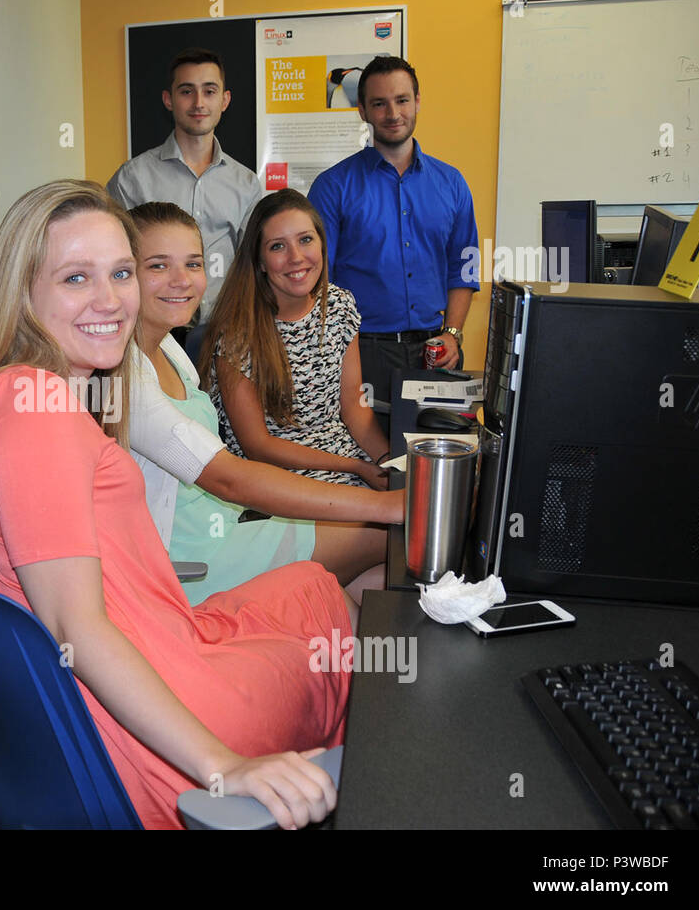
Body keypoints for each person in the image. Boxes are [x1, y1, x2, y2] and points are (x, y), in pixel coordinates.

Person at [0, 179, 349, 830]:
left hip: (150, 653)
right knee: (328, 613)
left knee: (310, 584)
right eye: (76, 278)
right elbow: (75, 625)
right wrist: (224, 767)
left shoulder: (46, 390)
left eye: (121, 273)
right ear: (22, 292)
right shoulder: (35, 408)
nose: (111, 301)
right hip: (147, 728)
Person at [127, 201, 391, 603]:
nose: (181, 280)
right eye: (159, 266)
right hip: (196, 563)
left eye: (193, 264)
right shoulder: (126, 379)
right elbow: (230, 475)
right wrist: (386, 506)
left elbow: (354, 407)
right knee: (389, 539)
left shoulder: (167, 347)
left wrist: (391, 469)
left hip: (226, 526)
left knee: (381, 584)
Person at [307, 56, 479, 412]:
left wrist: (453, 334)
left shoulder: (452, 184)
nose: (392, 113)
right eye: (379, 103)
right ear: (362, 110)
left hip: (435, 351)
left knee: (431, 456)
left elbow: (463, 268)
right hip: (360, 351)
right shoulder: (332, 187)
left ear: (417, 102)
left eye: (401, 100)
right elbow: (318, 280)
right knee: (368, 460)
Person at [201, 189, 391, 489]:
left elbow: (354, 406)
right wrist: (356, 466)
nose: (296, 257)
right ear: (260, 261)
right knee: (378, 527)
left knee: (414, 512)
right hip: (276, 474)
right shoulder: (237, 334)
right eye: (278, 246)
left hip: (344, 458)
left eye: (305, 240)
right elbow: (257, 446)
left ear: (322, 244)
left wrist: (388, 463)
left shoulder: (339, 305)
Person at [106, 48, 261, 316]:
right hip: (153, 329)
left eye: (209, 91)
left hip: (223, 328)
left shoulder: (246, 184)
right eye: (187, 91)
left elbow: (253, 265)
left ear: (225, 100)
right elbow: (112, 258)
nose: (199, 102)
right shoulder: (132, 179)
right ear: (169, 99)